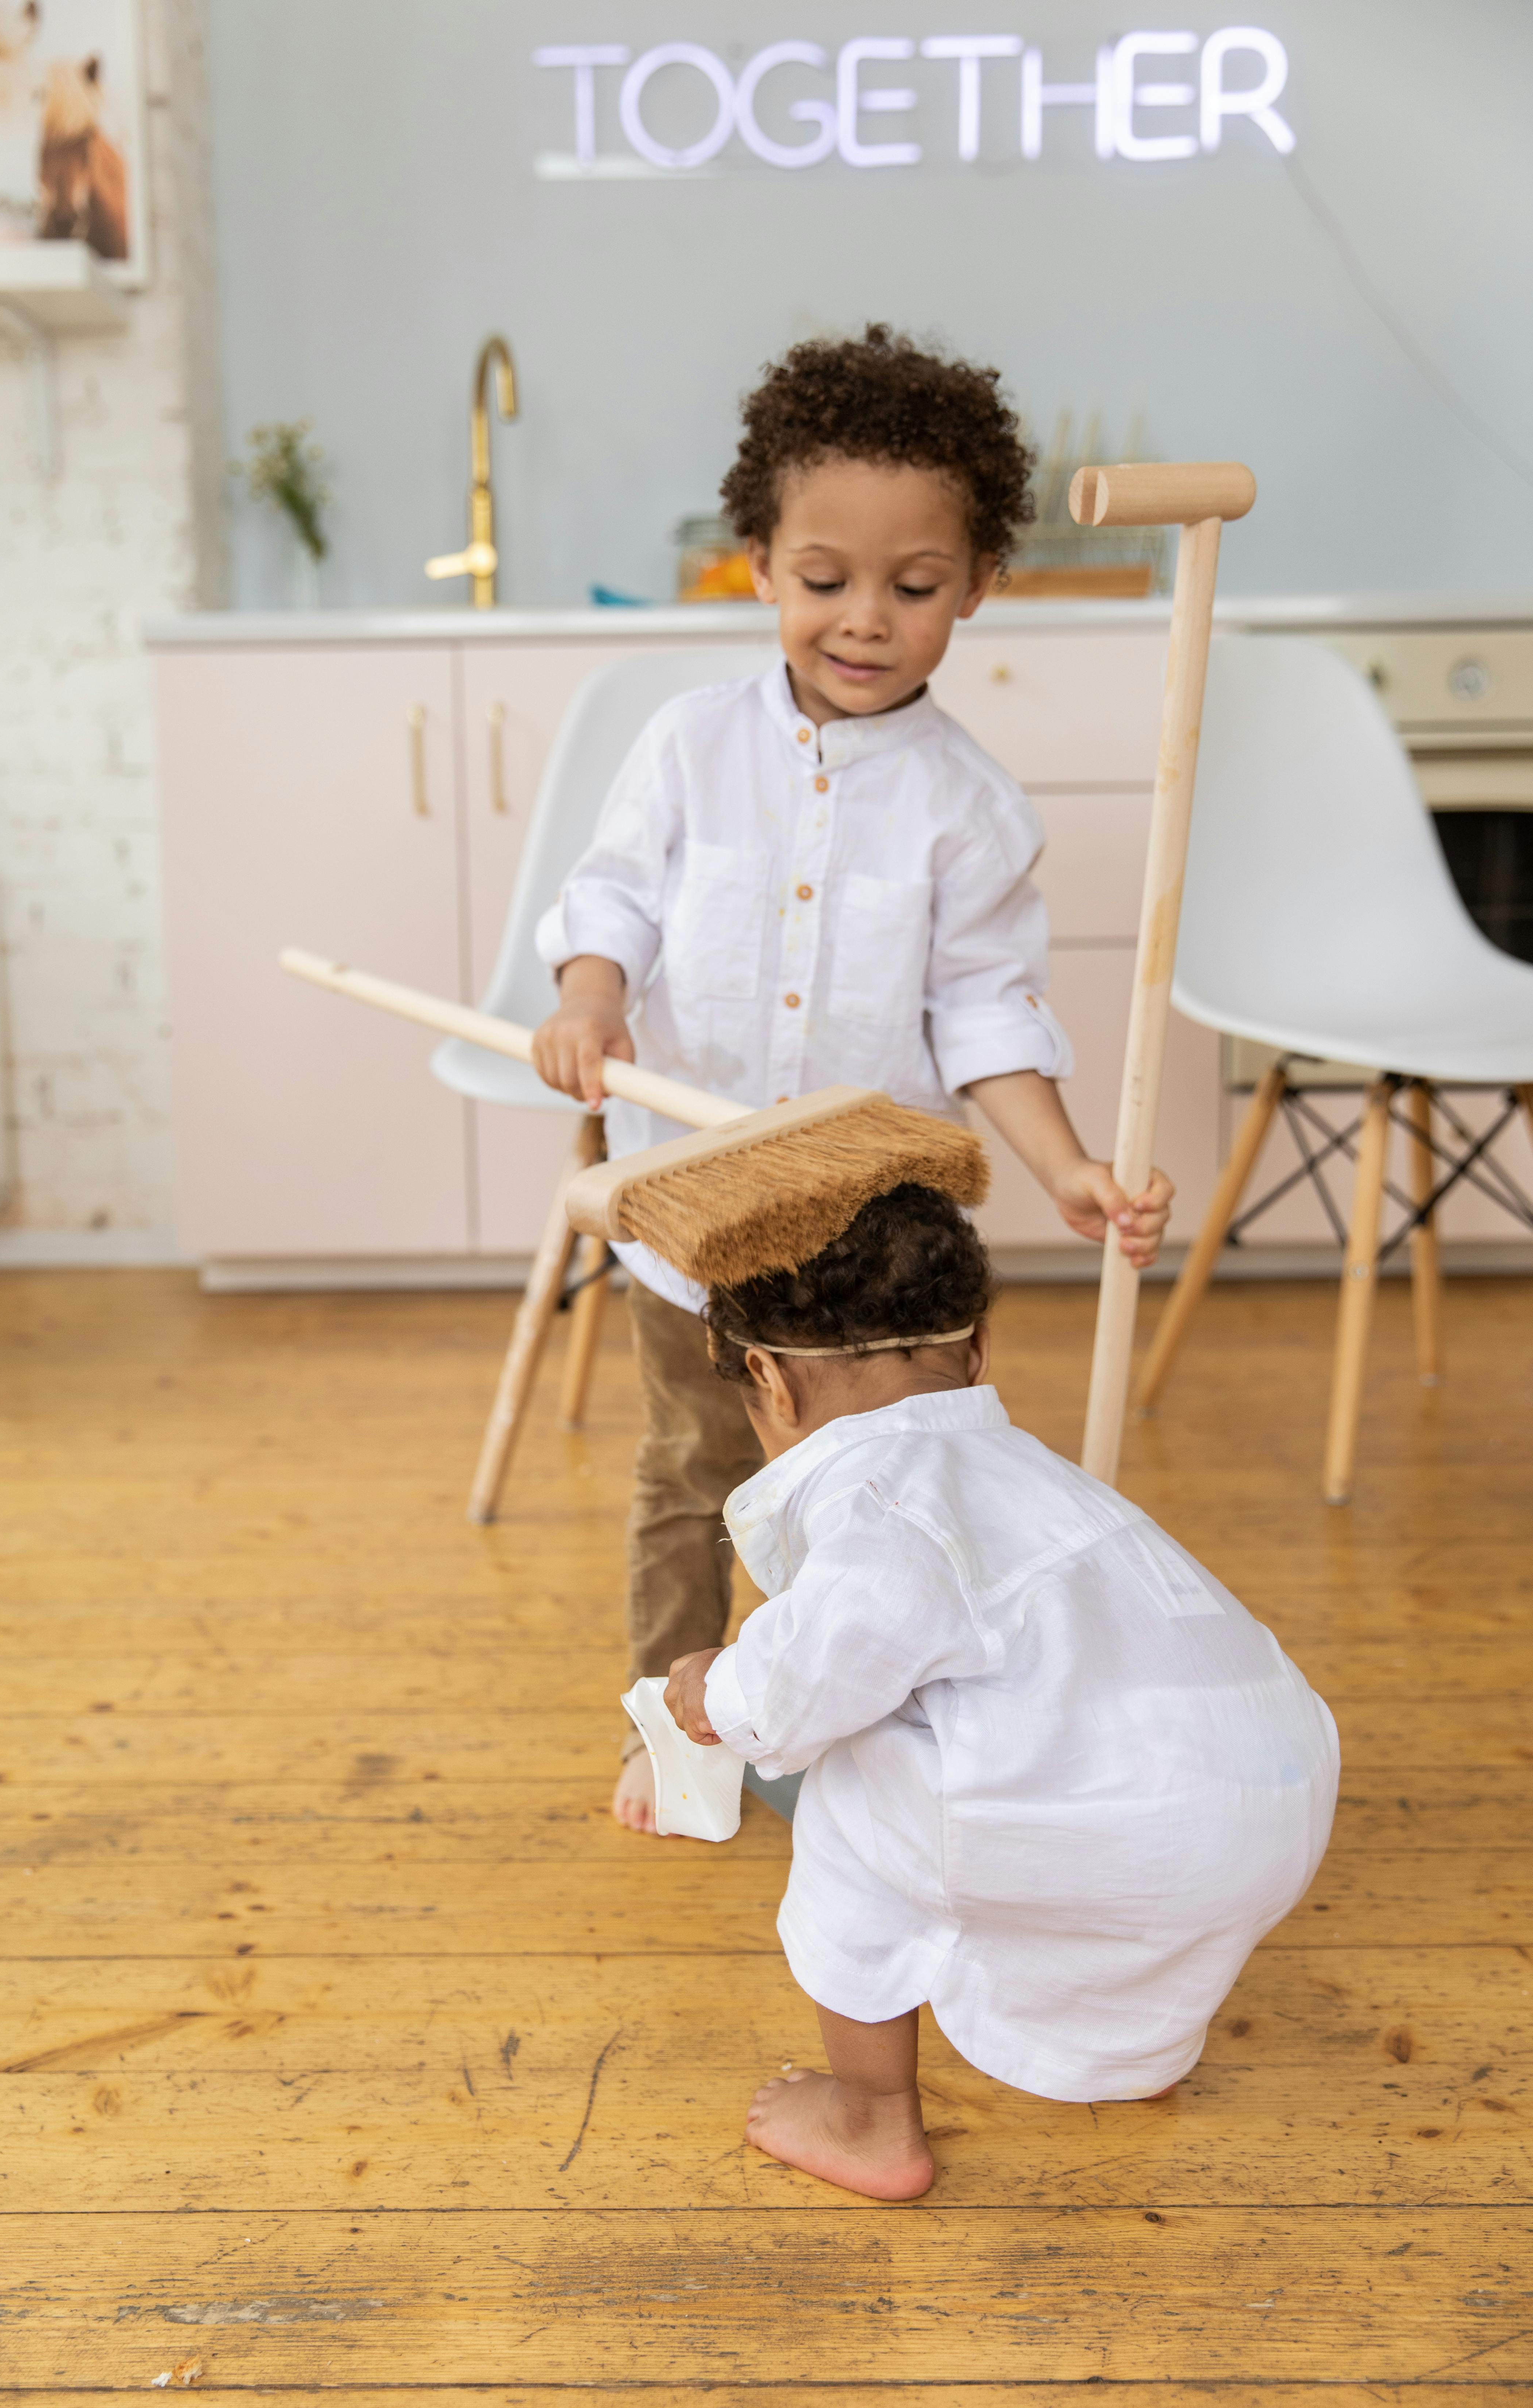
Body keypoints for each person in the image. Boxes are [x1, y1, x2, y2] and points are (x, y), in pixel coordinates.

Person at [531, 325, 1175, 1836]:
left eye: (915, 585)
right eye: (824, 580)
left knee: (874, 1506)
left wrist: (1069, 1167)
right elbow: (609, 902)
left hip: (867, 1237)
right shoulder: (688, 750)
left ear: (977, 586)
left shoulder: (972, 808)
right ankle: (676, 1731)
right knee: (695, 1475)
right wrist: (587, 994)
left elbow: (987, 1017)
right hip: (689, 1214)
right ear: (757, 564)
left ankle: (850, 1730)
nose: (865, 619)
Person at [662, 1183, 1338, 2201]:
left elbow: (800, 1685)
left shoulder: (882, 1501)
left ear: (770, 1379)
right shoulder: (1031, 1475)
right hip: (1279, 1797)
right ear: (975, 1348)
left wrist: (716, 1685)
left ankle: (871, 2121)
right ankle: (1132, 2050)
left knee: (851, 1804)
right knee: (1013, 1738)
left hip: (1140, 1832)